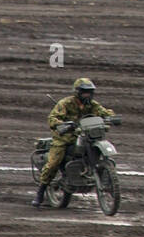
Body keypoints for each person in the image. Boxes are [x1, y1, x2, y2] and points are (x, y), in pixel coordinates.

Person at [33, 77, 114, 207]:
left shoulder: (92, 105)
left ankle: (107, 183)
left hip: (85, 136)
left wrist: (110, 117)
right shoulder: (65, 103)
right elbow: (52, 118)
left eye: (89, 92)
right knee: (53, 163)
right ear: (78, 92)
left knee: (101, 156)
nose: (87, 95)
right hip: (65, 139)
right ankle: (41, 191)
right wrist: (63, 125)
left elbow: (104, 112)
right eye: (84, 92)